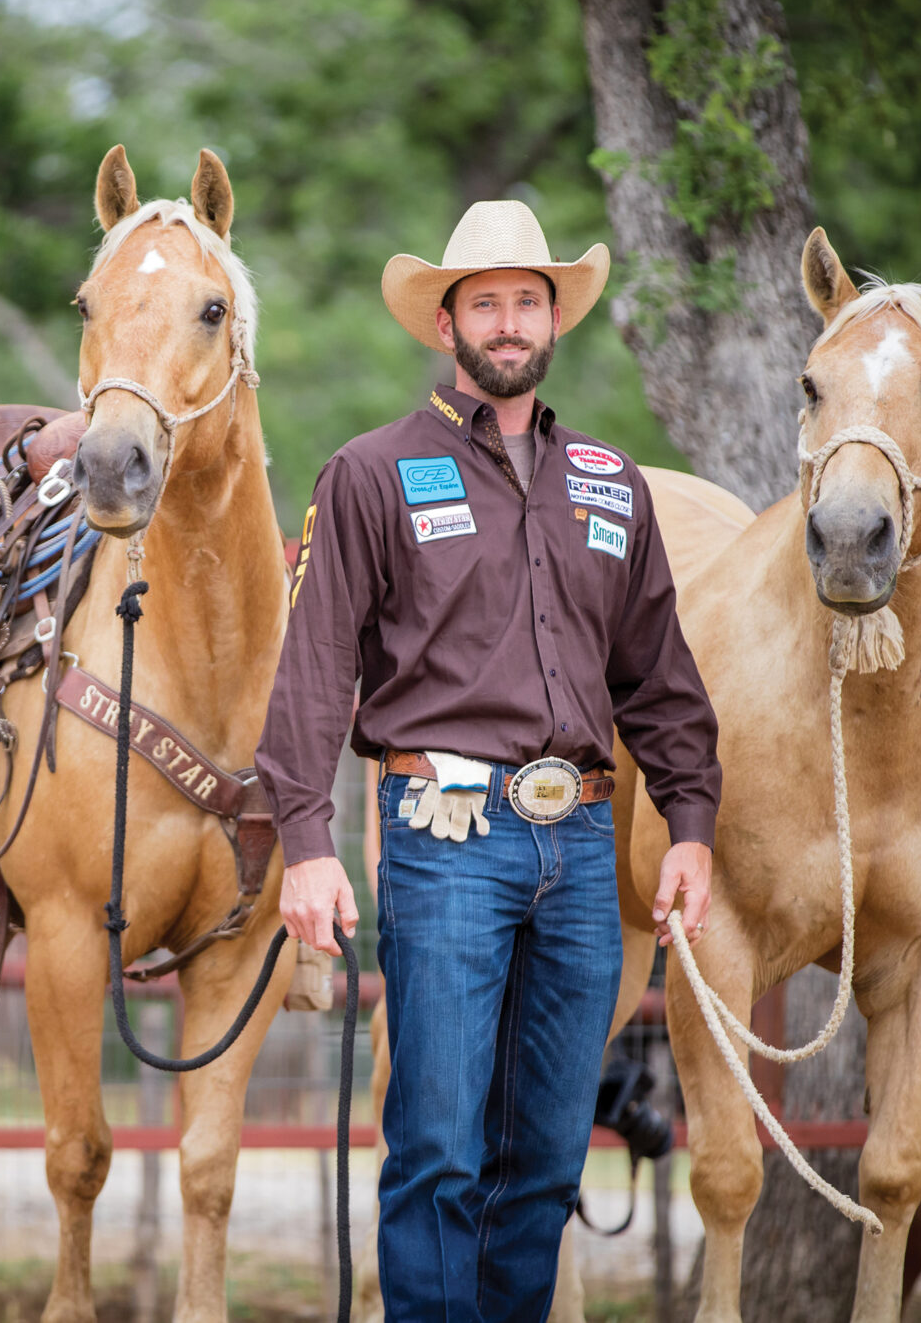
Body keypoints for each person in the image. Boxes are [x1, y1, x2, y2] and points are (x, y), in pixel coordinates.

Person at [255, 200, 722, 1319]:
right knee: (439, 1153)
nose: (506, 323)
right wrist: (306, 846)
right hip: (443, 840)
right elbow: (315, 671)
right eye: (484, 303)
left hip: (581, 845)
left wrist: (692, 826)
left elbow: (658, 676)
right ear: (445, 323)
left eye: (525, 300)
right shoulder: (369, 475)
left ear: (551, 316)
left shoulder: (612, 485)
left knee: (546, 1166)